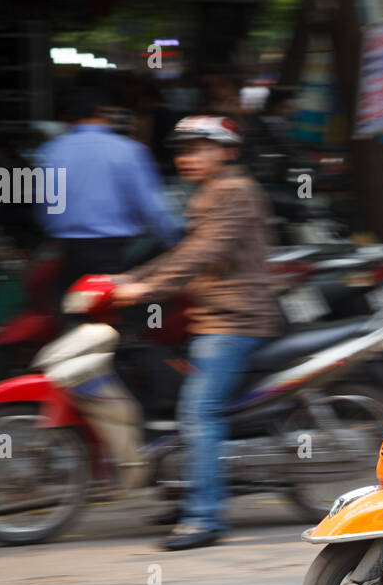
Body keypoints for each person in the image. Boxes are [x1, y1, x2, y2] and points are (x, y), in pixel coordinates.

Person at [111, 116, 282, 551]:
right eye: (185, 150)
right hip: (209, 318)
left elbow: (206, 253)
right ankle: (188, 491)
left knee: (198, 412)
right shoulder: (209, 193)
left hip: (235, 321)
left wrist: (146, 288)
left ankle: (204, 518)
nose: (189, 157)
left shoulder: (236, 192)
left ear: (227, 151)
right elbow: (184, 253)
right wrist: (126, 279)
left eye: (201, 148)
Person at [36, 85, 182, 315]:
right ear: (104, 111)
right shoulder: (128, 150)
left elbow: (46, 207)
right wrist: (175, 243)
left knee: (69, 310)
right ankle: (143, 334)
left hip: (70, 252)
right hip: (118, 253)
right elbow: (154, 209)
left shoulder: (51, 151)